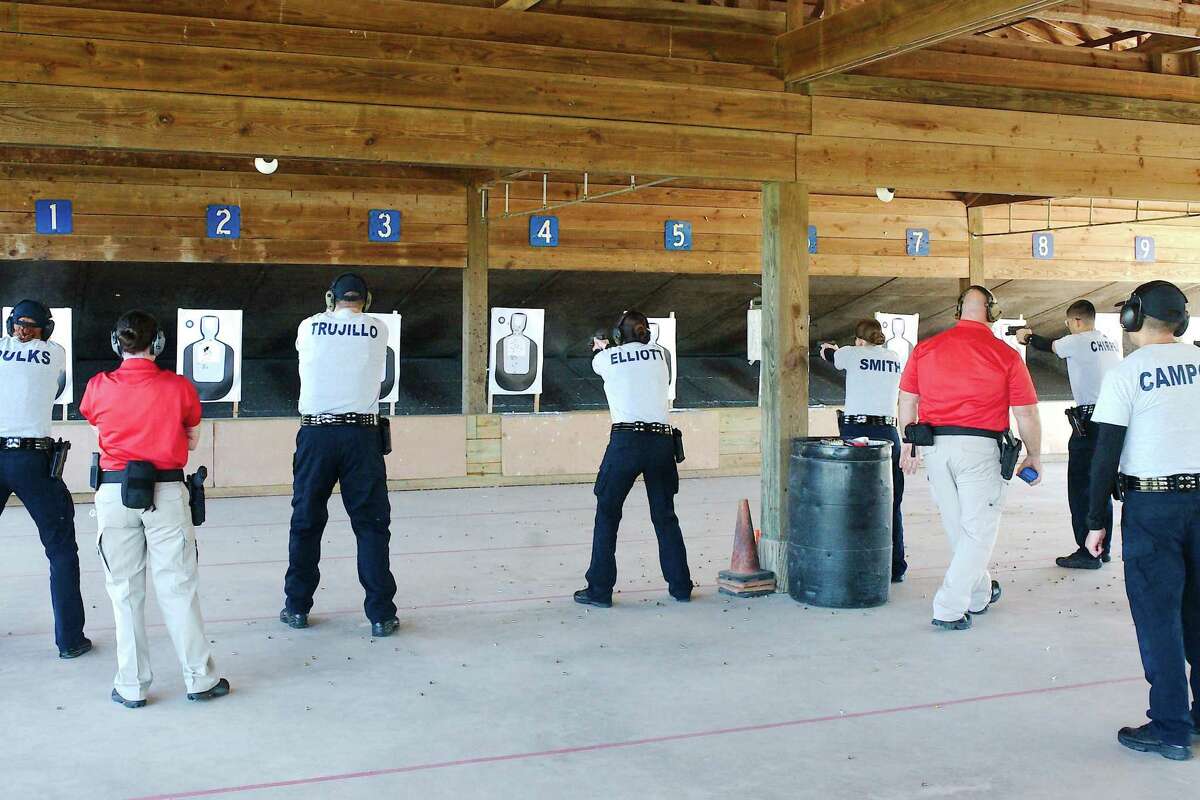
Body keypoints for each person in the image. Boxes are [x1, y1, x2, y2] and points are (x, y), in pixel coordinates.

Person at [80, 310, 228, 708]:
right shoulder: (179, 387)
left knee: (124, 592)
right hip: (165, 491)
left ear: (117, 344)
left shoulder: (97, 386)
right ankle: (199, 679)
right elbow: (192, 442)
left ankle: (131, 686)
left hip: (113, 495)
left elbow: (98, 432)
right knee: (178, 587)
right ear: (158, 343)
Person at [1084, 281, 1200, 761]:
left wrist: (1096, 520)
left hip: (1153, 509)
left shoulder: (1126, 373)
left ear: (1132, 318)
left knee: (1159, 619)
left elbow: (1104, 452)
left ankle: (1171, 727)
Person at [898, 286, 1042, 631]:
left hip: (934, 446)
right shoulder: (1006, 355)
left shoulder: (926, 348)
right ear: (993, 312)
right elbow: (1025, 413)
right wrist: (1034, 453)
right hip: (980, 447)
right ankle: (949, 606)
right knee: (978, 530)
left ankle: (979, 593)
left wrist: (908, 440)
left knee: (958, 525)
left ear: (957, 310)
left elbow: (907, 401)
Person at [281, 273, 399, 637]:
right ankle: (380, 614)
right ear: (368, 299)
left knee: (306, 522)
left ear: (330, 297)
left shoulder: (308, 326)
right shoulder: (378, 329)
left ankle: (297, 607)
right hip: (361, 436)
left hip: (316, 435)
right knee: (371, 525)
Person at [575, 310, 692, 607]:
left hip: (626, 442)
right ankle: (680, 586)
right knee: (665, 515)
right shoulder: (660, 356)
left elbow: (605, 362)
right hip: (662, 442)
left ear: (617, 336)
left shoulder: (605, 359)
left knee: (607, 513)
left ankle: (599, 589)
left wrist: (603, 347)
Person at [0, 300, 89, 659]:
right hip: (32, 459)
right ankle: (69, 640)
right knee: (61, 549)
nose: (23, 331)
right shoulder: (55, 352)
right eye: (22, 326)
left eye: (27, 326)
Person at [1015, 301, 1121, 569]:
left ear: (1075, 321)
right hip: (1110, 421)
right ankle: (1101, 547)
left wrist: (1026, 337)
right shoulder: (1108, 342)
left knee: (1081, 486)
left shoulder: (1077, 340)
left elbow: (1047, 345)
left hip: (1089, 420)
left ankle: (1087, 550)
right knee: (1100, 486)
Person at [821, 318, 907, 582]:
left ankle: (855, 561)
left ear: (859, 340)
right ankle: (895, 566)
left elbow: (827, 354)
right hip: (888, 432)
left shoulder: (850, 354)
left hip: (856, 433)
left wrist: (830, 347)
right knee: (891, 501)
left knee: (852, 499)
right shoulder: (894, 357)